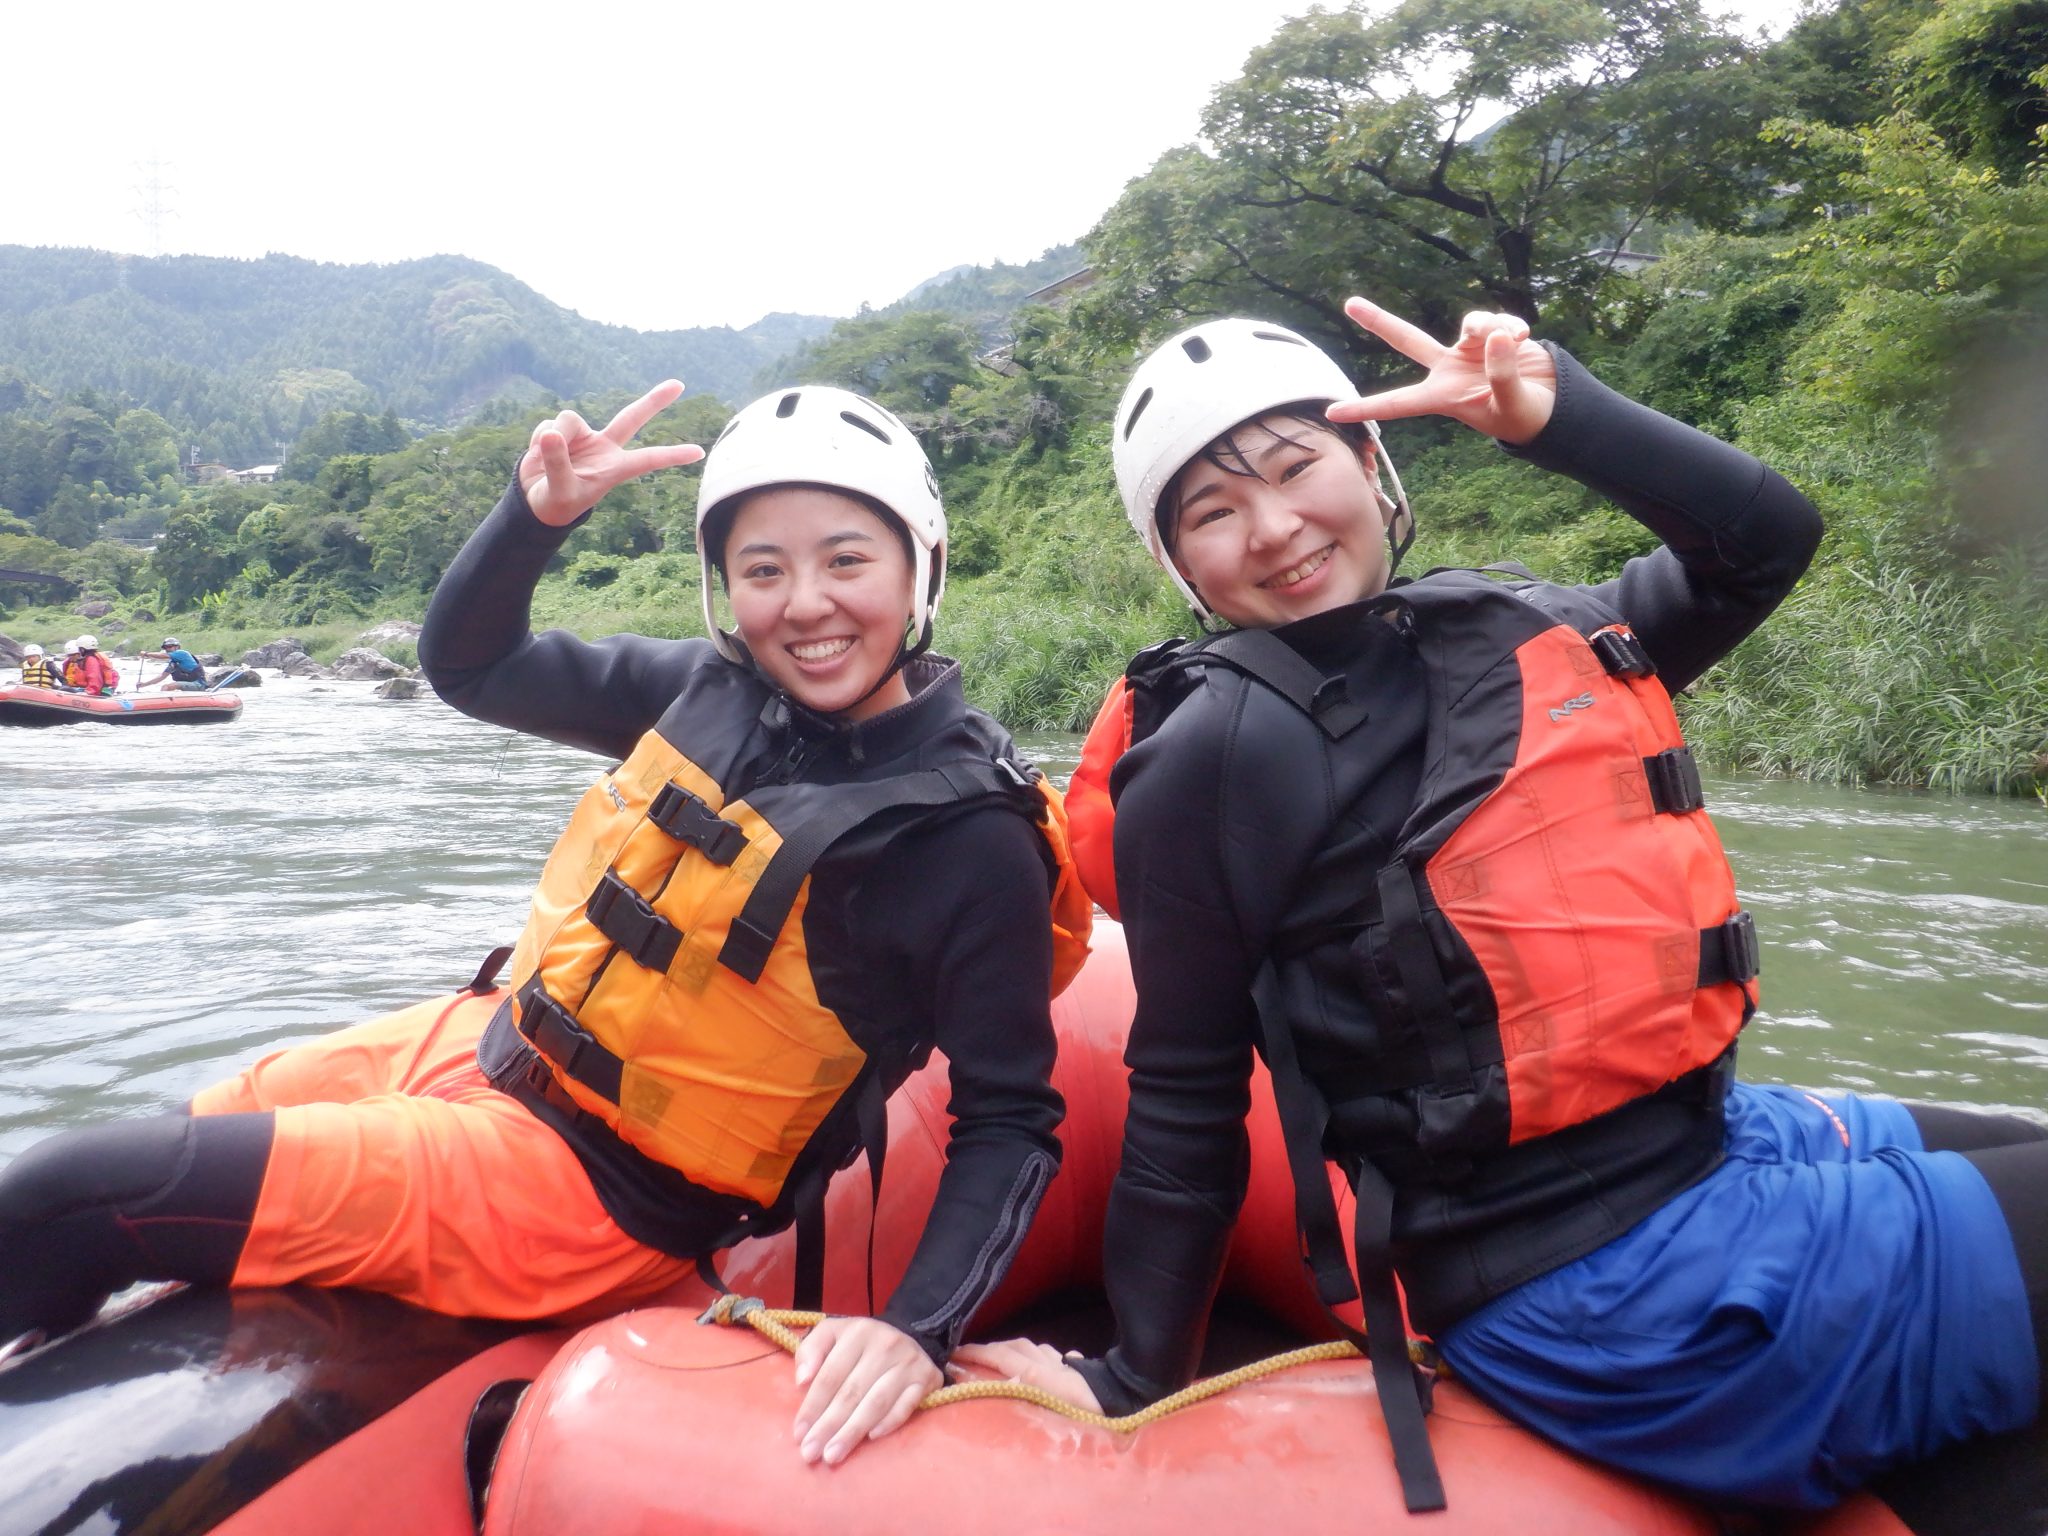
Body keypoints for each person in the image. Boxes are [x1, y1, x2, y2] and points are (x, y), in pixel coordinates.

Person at [958, 303, 2048, 1514]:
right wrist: (1130, 1377)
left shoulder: (1522, 630)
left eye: (1294, 466)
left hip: (1711, 1147)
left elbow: (1764, 540)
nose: (1272, 529)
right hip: (1608, 1289)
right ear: (1178, 565)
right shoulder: (1215, 753)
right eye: (1211, 512)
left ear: (1371, 468)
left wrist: (1552, 415)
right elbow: (1181, 1094)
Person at [0, 380, 1089, 1470]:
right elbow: (471, 666)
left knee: (71, 1192)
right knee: (146, 1143)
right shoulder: (705, 692)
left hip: (587, 1196)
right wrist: (535, 516)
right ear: (726, 588)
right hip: (478, 1047)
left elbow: (1009, 1118)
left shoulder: (963, 835)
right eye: (763, 570)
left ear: (921, 567)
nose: (803, 605)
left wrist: (914, 1329)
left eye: (846, 560)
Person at [140, 637, 208, 689]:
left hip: (198, 684)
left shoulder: (182, 653)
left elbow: (163, 656)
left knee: (166, 687)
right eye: (165, 647)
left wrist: (146, 654)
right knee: (166, 686)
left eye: (169, 646)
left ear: (177, 647)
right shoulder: (173, 664)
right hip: (189, 684)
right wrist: (144, 684)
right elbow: (161, 677)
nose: (167, 649)